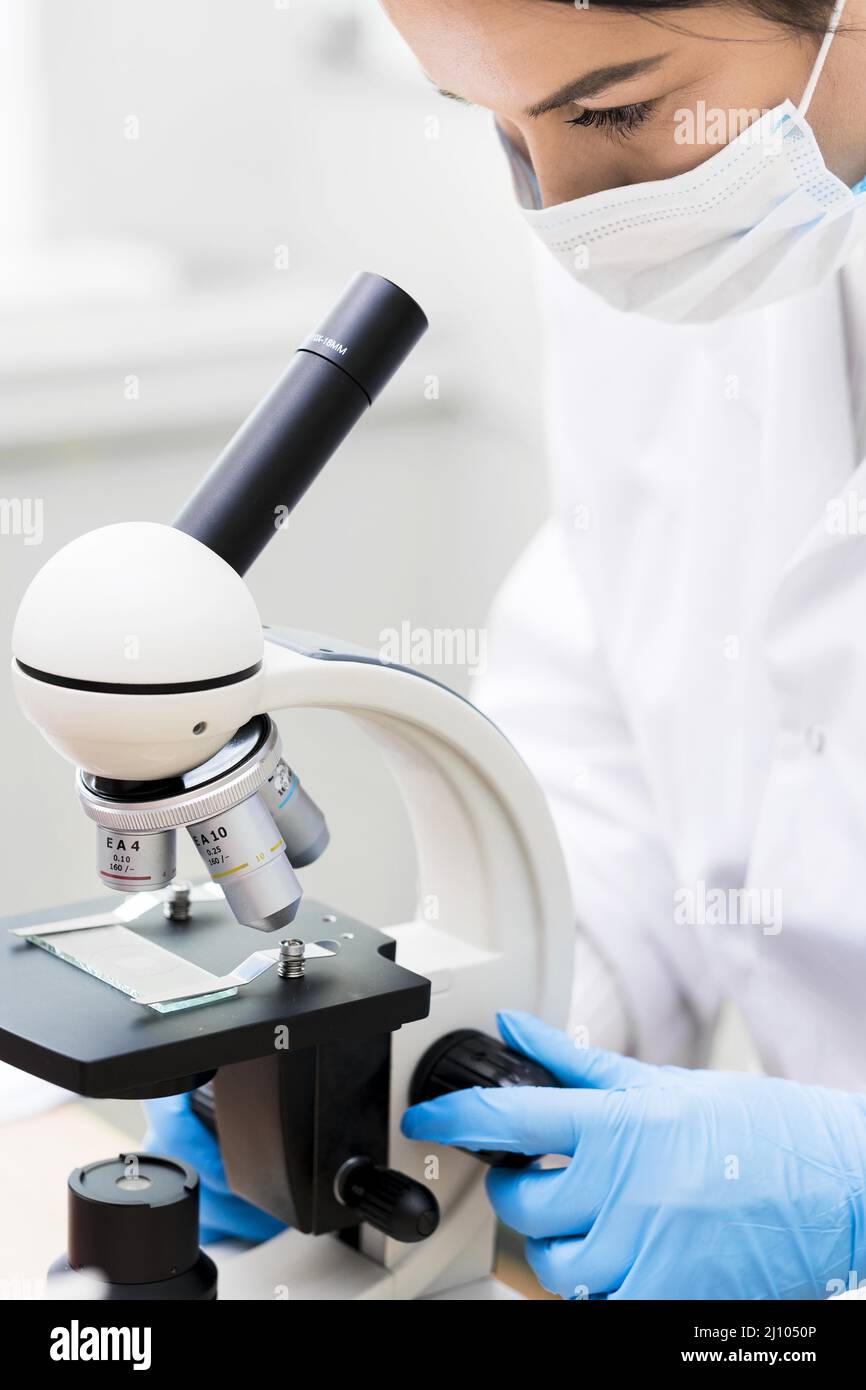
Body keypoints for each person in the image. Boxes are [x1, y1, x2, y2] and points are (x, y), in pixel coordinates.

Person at [146, 0, 866, 1299]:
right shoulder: (671, 241)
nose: (565, 211)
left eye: (610, 110)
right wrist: (415, 1067)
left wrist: (852, 1197)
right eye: (498, 129)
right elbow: (617, 746)